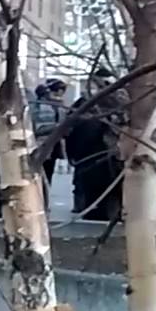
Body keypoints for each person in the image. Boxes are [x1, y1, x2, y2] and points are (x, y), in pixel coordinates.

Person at [64, 68, 127, 221]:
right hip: (107, 157)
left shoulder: (89, 103)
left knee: (96, 199)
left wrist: (73, 154)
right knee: (106, 198)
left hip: (96, 157)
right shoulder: (121, 101)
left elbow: (74, 130)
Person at [31, 79, 68, 185]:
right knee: (41, 176)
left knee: (49, 174)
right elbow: (38, 128)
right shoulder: (39, 106)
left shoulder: (60, 107)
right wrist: (58, 127)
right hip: (42, 145)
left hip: (55, 146)